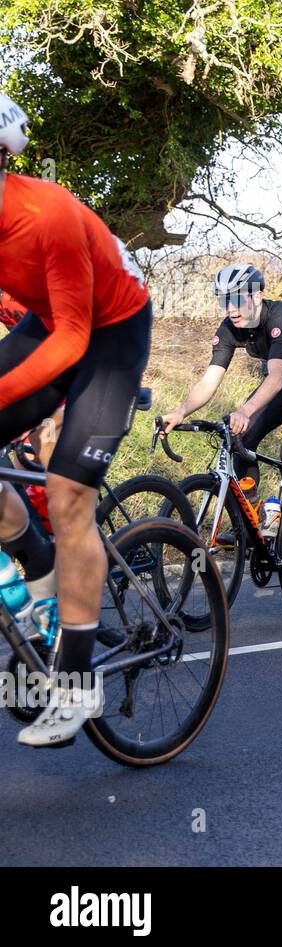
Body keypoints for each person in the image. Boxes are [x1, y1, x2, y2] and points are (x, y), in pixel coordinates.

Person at [0, 92, 153, 745]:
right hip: (50, 323)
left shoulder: (46, 215)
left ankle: (77, 685)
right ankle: (36, 569)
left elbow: (72, 340)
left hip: (111, 331)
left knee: (67, 496)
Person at [161, 264, 282, 579]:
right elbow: (209, 380)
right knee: (239, 440)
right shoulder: (230, 327)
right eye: (224, 301)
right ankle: (255, 517)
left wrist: (245, 410)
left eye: (237, 299)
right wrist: (179, 412)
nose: (231, 309)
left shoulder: (280, 318)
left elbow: (277, 378)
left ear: (257, 295)